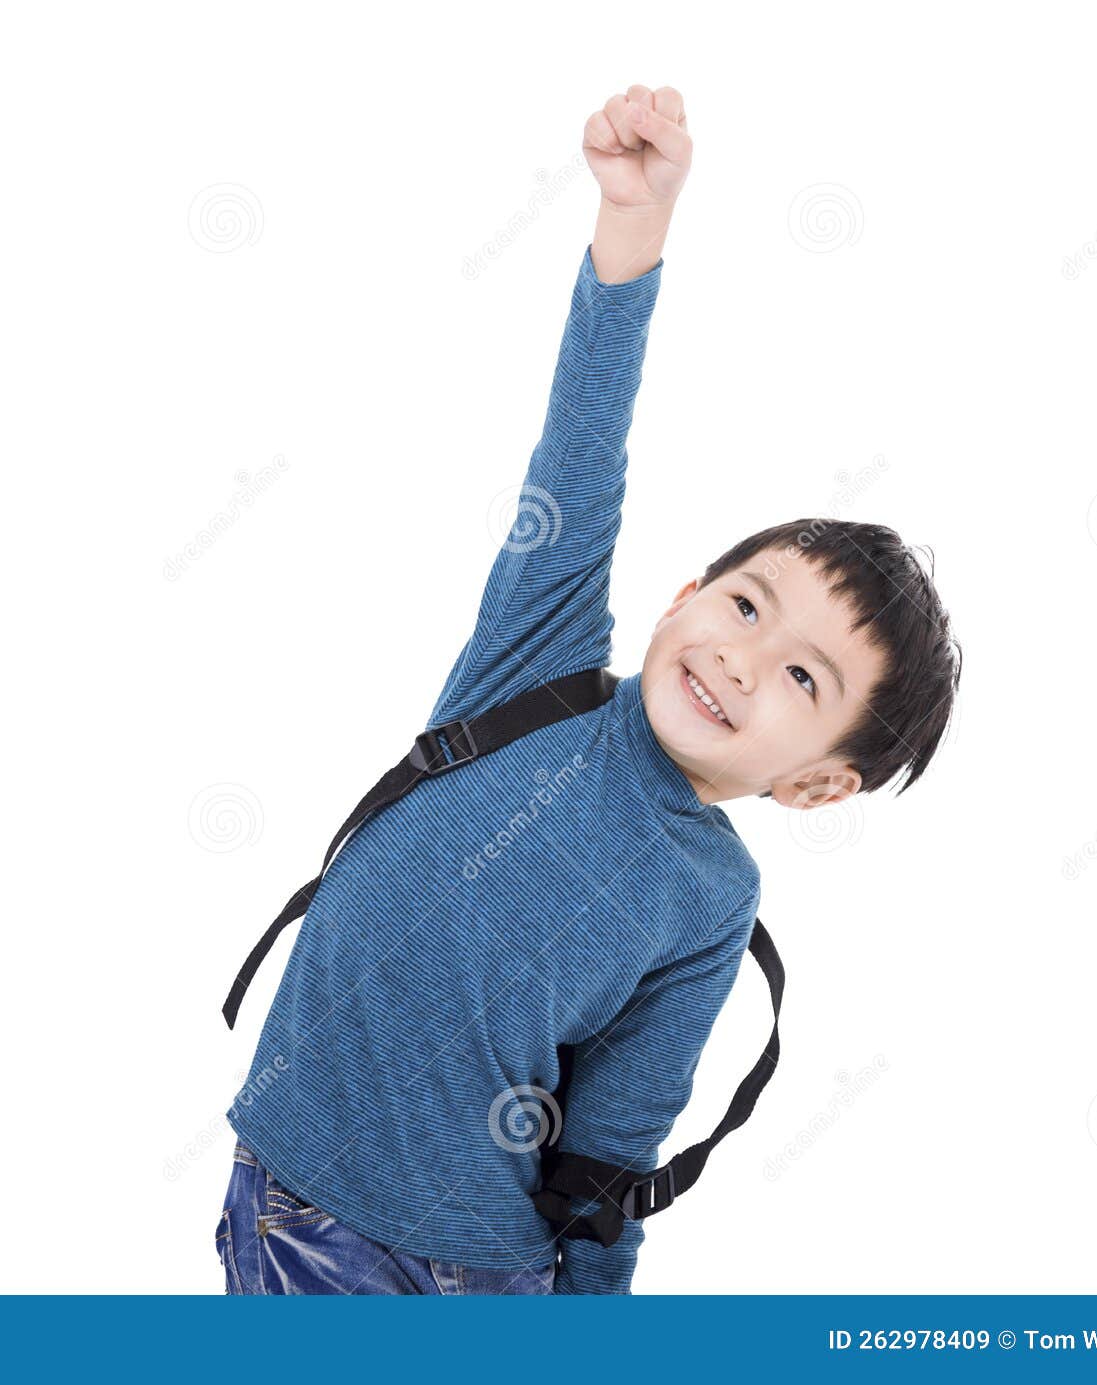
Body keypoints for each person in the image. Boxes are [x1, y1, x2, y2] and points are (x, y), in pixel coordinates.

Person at [215, 82, 961, 1295]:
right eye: (744, 603)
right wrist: (634, 225)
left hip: (473, 1270)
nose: (738, 656)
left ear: (821, 779)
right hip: (292, 1197)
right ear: (680, 594)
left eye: (800, 674)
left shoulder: (710, 896)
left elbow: (614, 1151)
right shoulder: (542, 663)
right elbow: (582, 435)